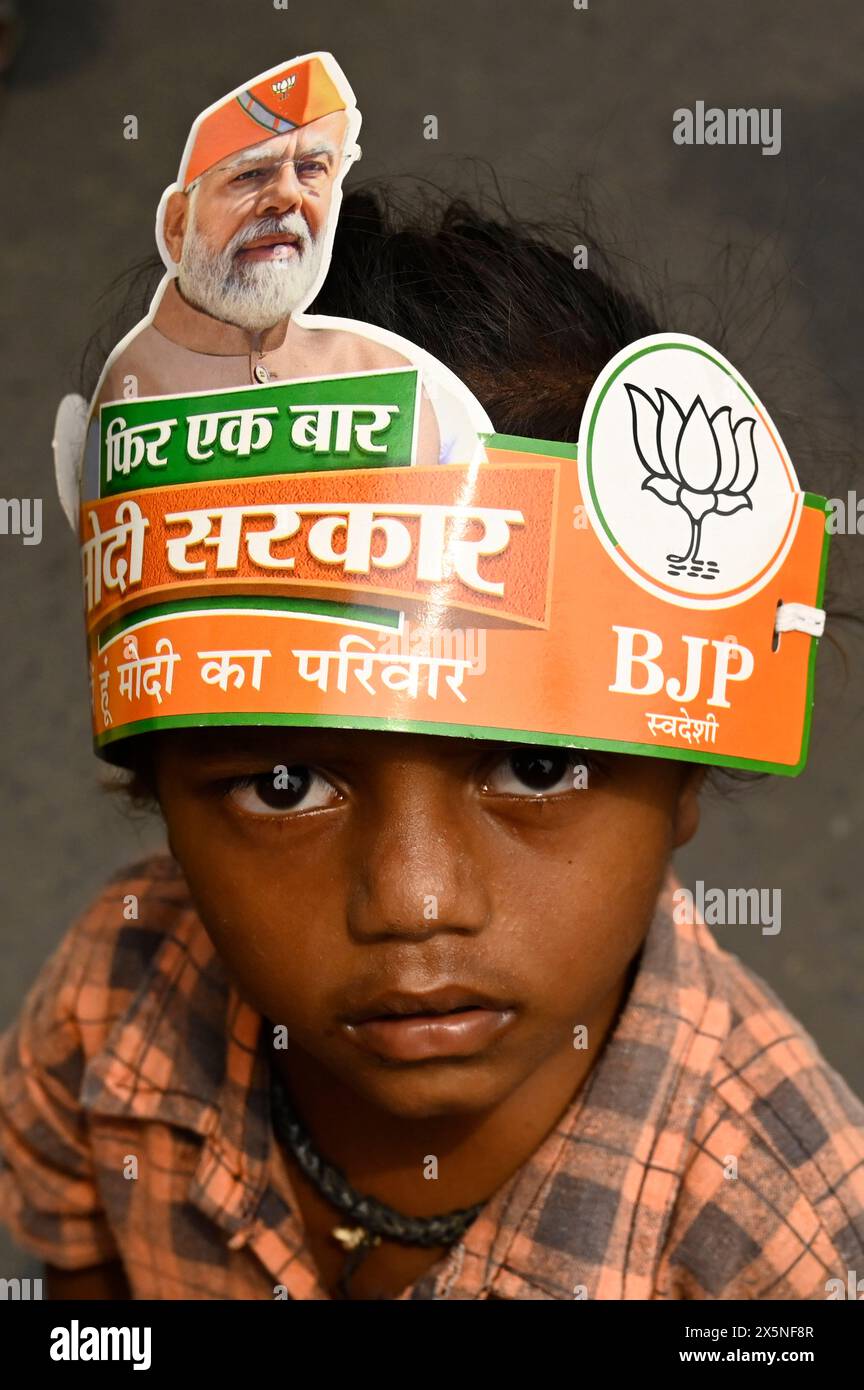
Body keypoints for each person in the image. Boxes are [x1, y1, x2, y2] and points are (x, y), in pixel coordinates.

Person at [2, 185, 863, 1302]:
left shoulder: (784, 1234)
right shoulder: (109, 1000)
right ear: (155, 788)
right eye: (283, 781)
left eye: (537, 767)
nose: (412, 901)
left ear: (687, 762)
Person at [87, 55, 489, 474]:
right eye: (250, 174)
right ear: (177, 225)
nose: (287, 196)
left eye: (311, 168)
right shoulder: (128, 391)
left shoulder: (384, 372)